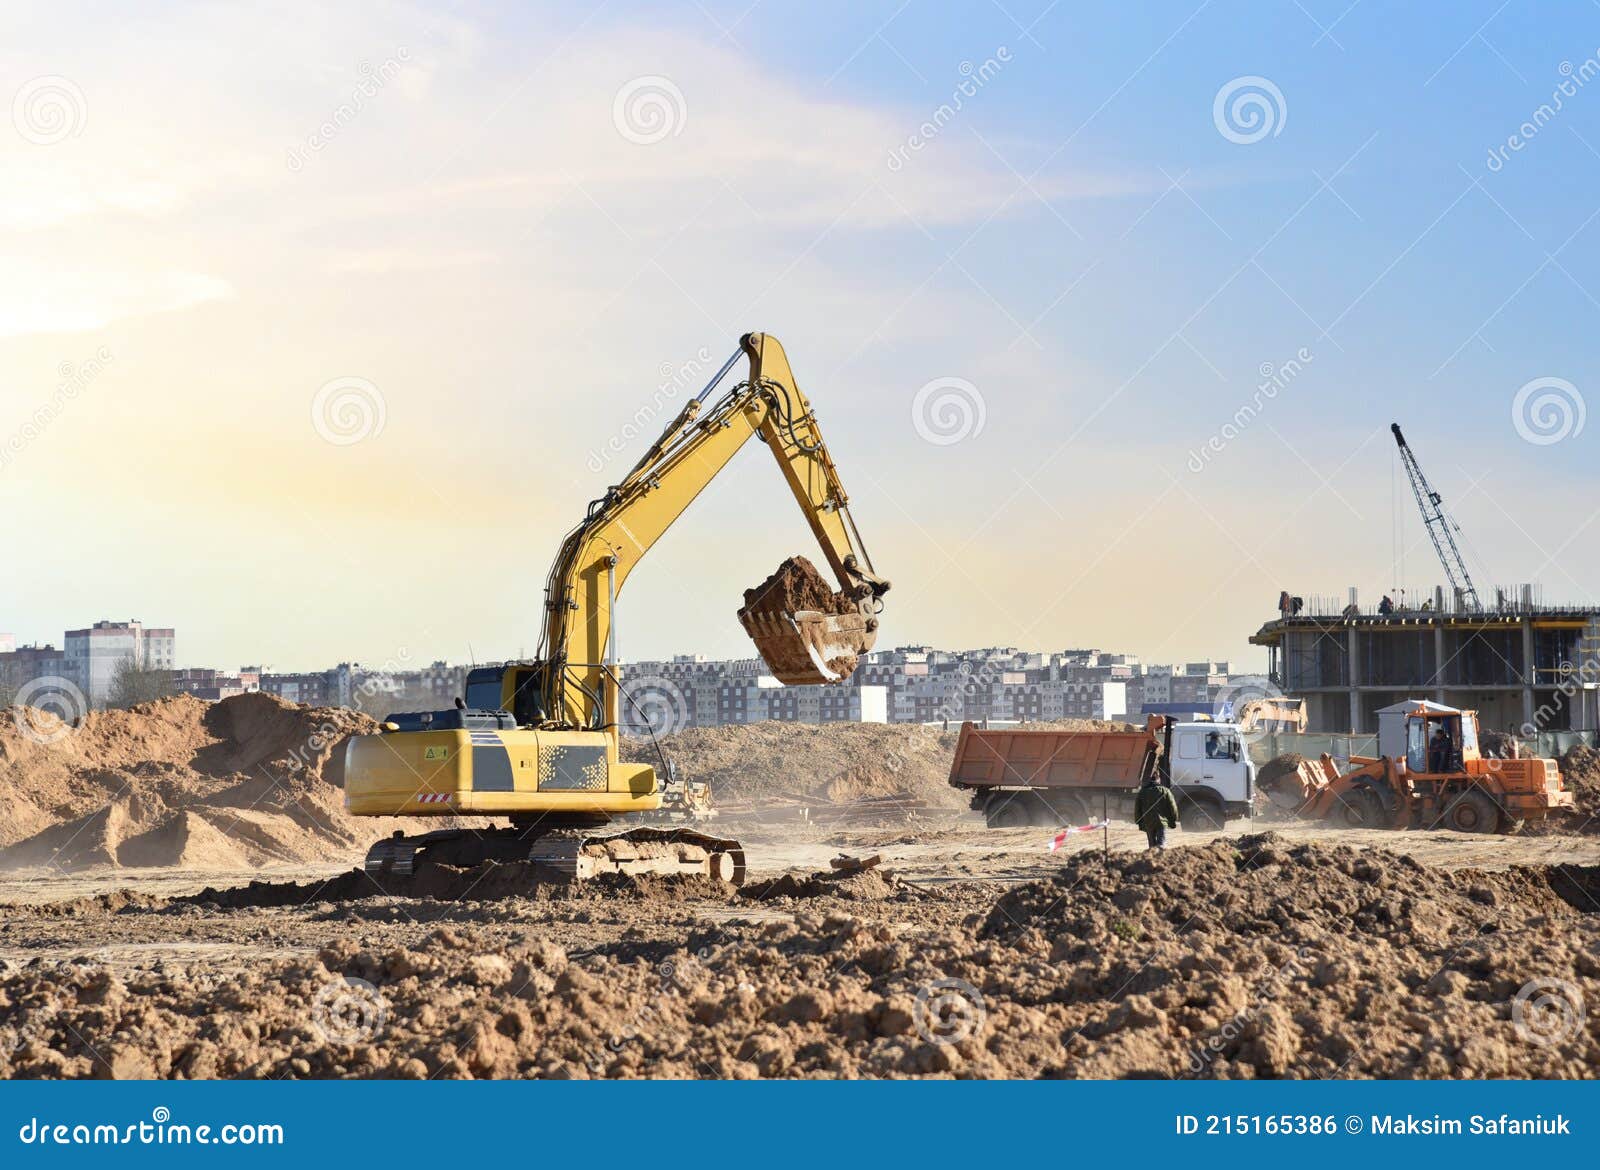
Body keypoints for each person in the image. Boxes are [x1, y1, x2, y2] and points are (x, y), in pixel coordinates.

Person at [1134, 773, 1180, 850]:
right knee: (1161, 845)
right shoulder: (1165, 791)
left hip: (1148, 822)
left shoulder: (1142, 792)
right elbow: (1173, 807)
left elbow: (1137, 808)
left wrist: (1138, 821)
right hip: (1162, 823)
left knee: (1152, 847)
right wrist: (1175, 818)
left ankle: (1151, 859)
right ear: (1159, 780)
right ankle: (1160, 859)